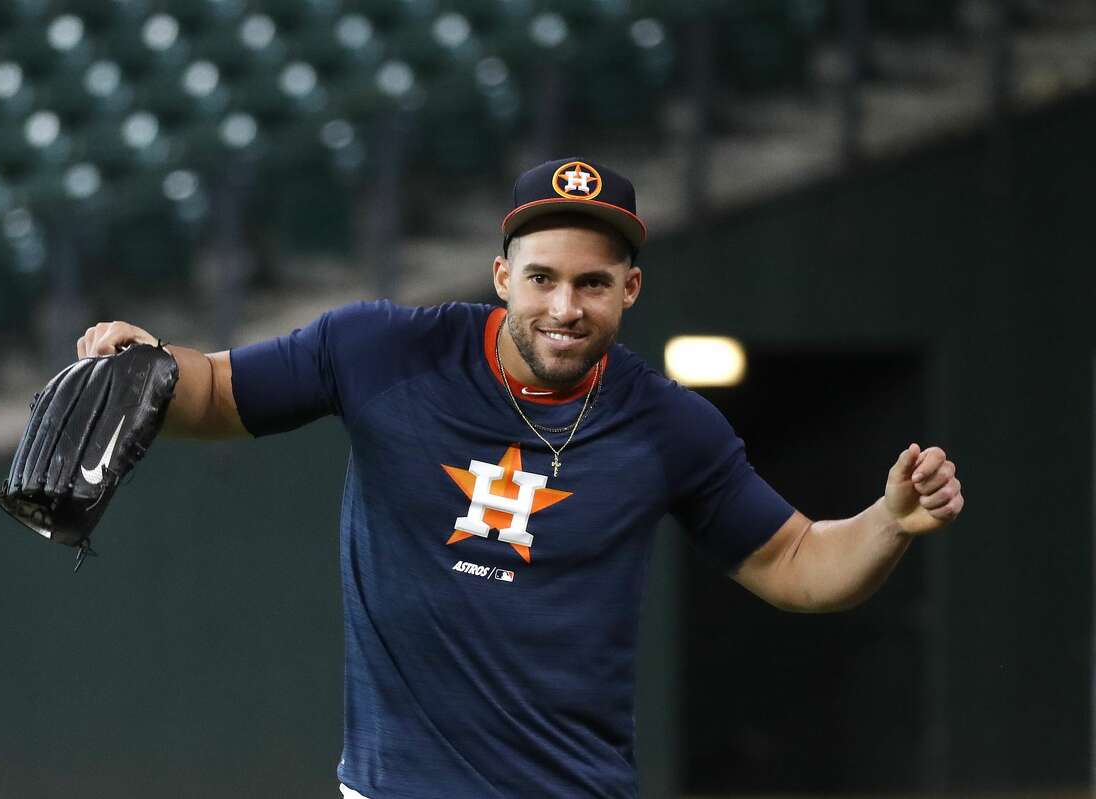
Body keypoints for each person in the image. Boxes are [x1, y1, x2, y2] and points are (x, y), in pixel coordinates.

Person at [76, 158, 964, 799]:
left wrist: (887, 520)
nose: (564, 306)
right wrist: (145, 362)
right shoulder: (384, 350)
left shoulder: (668, 424)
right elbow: (222, 389)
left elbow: (799, 562)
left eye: (592, 282)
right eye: (540, 278)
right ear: (502, 275)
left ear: (631, 289)